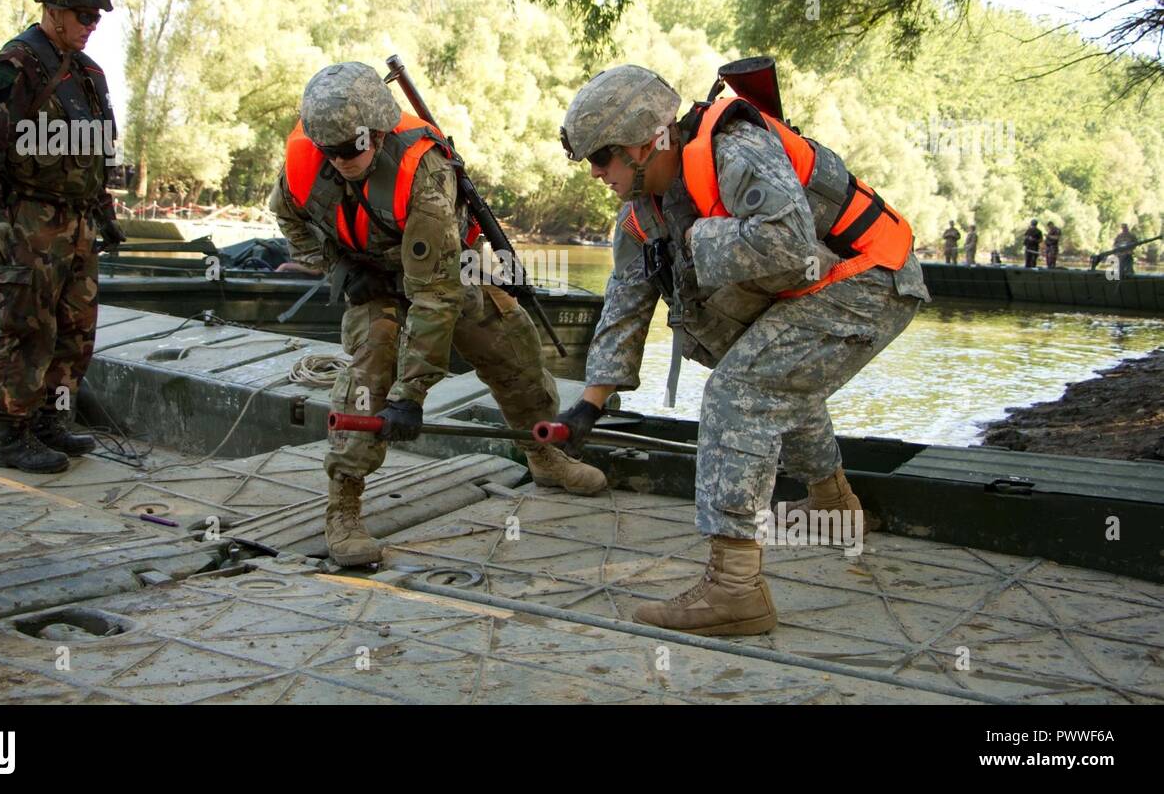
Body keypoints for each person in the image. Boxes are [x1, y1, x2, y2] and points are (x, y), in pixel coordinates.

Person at [553, 64, 928, 636]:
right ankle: (832, 503)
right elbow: (625, 304)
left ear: (644, 141)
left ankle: (734, 589)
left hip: (872, 276)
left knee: (740, 392)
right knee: (772, 377)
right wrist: (590, 404)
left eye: (601, 158)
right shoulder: (640, 216)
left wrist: (694, 238)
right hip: (827, 285)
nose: (596, 173)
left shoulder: (736, 148)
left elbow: (786, 241)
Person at [268, 62, 606, 567]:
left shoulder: (423, 173)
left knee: (510, 339)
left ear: (379, 133)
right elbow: (290, 219)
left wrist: (412, 397)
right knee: (370, 361)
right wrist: (336, 265)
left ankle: (543, 453)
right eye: (330, 152)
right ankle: (344, 504)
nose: (340, 160)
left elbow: (436, 297)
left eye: (352, 149)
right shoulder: (306, 161)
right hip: (372, 275)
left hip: (441, 270)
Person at [0, 0, 125, 474]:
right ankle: (12, 435)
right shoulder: (18, 65)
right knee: (27, 330)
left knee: (76, 333)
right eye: (82, 15)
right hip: (29, 218)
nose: (90, 25)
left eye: (96, 17)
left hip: (78, 224)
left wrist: (103, 211)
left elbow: (96, 151)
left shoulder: (88, 74)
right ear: (52, 9)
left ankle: (51, 424)